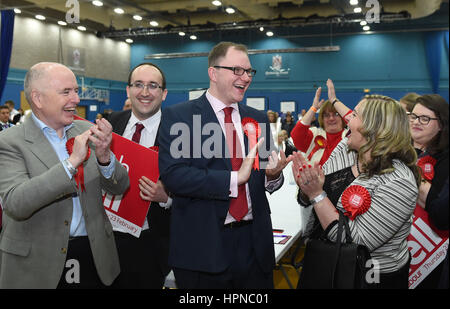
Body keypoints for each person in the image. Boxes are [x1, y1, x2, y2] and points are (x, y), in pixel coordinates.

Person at [158, 41, 290, 289]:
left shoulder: (258, 118)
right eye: (237, 70)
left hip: (254, 245)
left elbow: (265, 178)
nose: (246, 78)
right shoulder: (180, 117)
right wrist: (234, 178)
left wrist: (272, 176)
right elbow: (174, 176)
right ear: (213, 72)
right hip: (203, 249)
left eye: (249, 71)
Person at [0, 62, 129, 288]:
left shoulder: (87, 131)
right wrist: (70, 164)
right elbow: (16, 203)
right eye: (66, 92)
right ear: (38, 99)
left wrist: (104, 157)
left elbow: (120, 187)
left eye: (76, 91)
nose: (76, 100)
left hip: (94, 257)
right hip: (37, 264)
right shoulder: (9, 142)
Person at [292, 94, 420, 289]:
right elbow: (313, 196)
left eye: (356, 115)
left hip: (371, 275)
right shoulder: (346, 148)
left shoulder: (399, 181)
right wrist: (307, 186)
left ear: (375, 128)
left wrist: (316, 194)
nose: (348, 118)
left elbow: (357, 243)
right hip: (324, 261)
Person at [108, 63, 171, 288]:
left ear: (163, 94)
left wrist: (167, 197)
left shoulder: (178, 131)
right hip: (105, 239)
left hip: (149, 245)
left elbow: (196, 187)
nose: (144, 93)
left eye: (153, 86)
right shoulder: (113, 122)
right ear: (128, 90)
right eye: (138, 85)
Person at [409, 94, 449, 288]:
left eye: (425, 118)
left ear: (441, 124)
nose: (416, 122)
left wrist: (410, 171)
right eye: (413, 116)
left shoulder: (445, 157)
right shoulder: (407, 149)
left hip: (435, 257)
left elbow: (439, 212)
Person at [290, 79, 348, 166]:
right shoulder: (315, 135)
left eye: (336, 114)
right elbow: (296, 135)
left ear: (342, 117)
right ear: (322, 119)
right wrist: (313, 108)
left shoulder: (351, 136)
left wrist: (334, 100)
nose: (331, 118)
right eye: (327, 115)